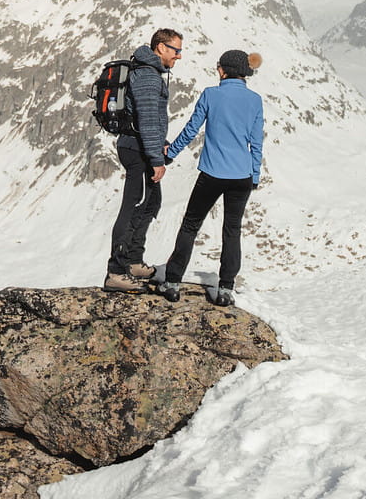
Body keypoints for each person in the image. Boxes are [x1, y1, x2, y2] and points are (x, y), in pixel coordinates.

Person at [157, 49, 264, 307]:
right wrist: (255, 176)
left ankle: (172, 282)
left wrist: (170, 153)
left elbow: (191, 129)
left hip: (213, 173)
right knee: (232, 231)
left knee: (191, 225)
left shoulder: (211, 95)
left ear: (222, 70)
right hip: (242, 176)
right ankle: (225, 289)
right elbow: (256, 141)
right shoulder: (255, 100)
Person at [104, 27, 182, 292]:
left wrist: (160, 144)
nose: (179, 56)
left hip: (140, 146)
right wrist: (155, 159)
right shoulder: (148, 77)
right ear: (161, 47)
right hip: (137, 149)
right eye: (176, 50)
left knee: (151, 201)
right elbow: (148, 121)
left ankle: (134, 260)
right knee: (134, 204)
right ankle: (116, 271)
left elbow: (148, 121)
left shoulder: (148, 73)